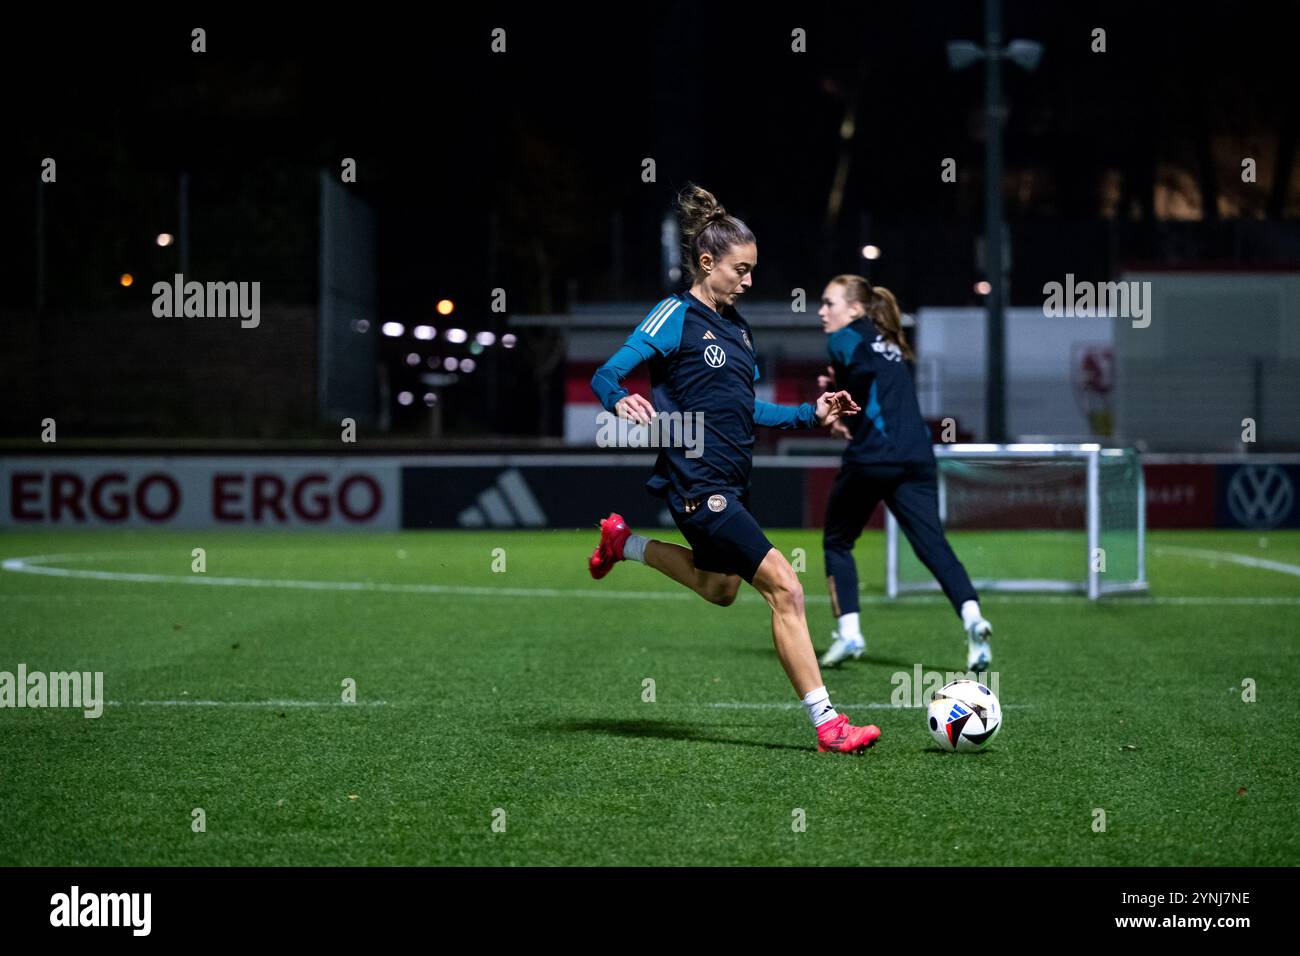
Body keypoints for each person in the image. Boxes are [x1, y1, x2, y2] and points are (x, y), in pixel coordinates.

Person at [586, 184, 880, 753]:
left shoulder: (738, 330)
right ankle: (828, 724)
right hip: (696, 481)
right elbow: (607, 373)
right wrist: (617, 399)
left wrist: (808, 412)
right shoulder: (675, 314)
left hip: (731, 483)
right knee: (787, 590)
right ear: (706, 263)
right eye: (740, 270)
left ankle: (624, 545)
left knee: (718, 587)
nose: (748, 281)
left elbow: (743, 408)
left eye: (752, 270)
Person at [814, 276, 993, 672]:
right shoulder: (891, 343)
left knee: (837, 541)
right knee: (933, 545)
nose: (822, 311)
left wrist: (837, 395)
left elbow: (857, 380)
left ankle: (850, 632)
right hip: (917, 456)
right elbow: (876, 391)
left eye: (830, 303)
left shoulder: (844, 338)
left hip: (874, 457)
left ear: (855, 309)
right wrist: (847, 397)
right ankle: (972, 618)